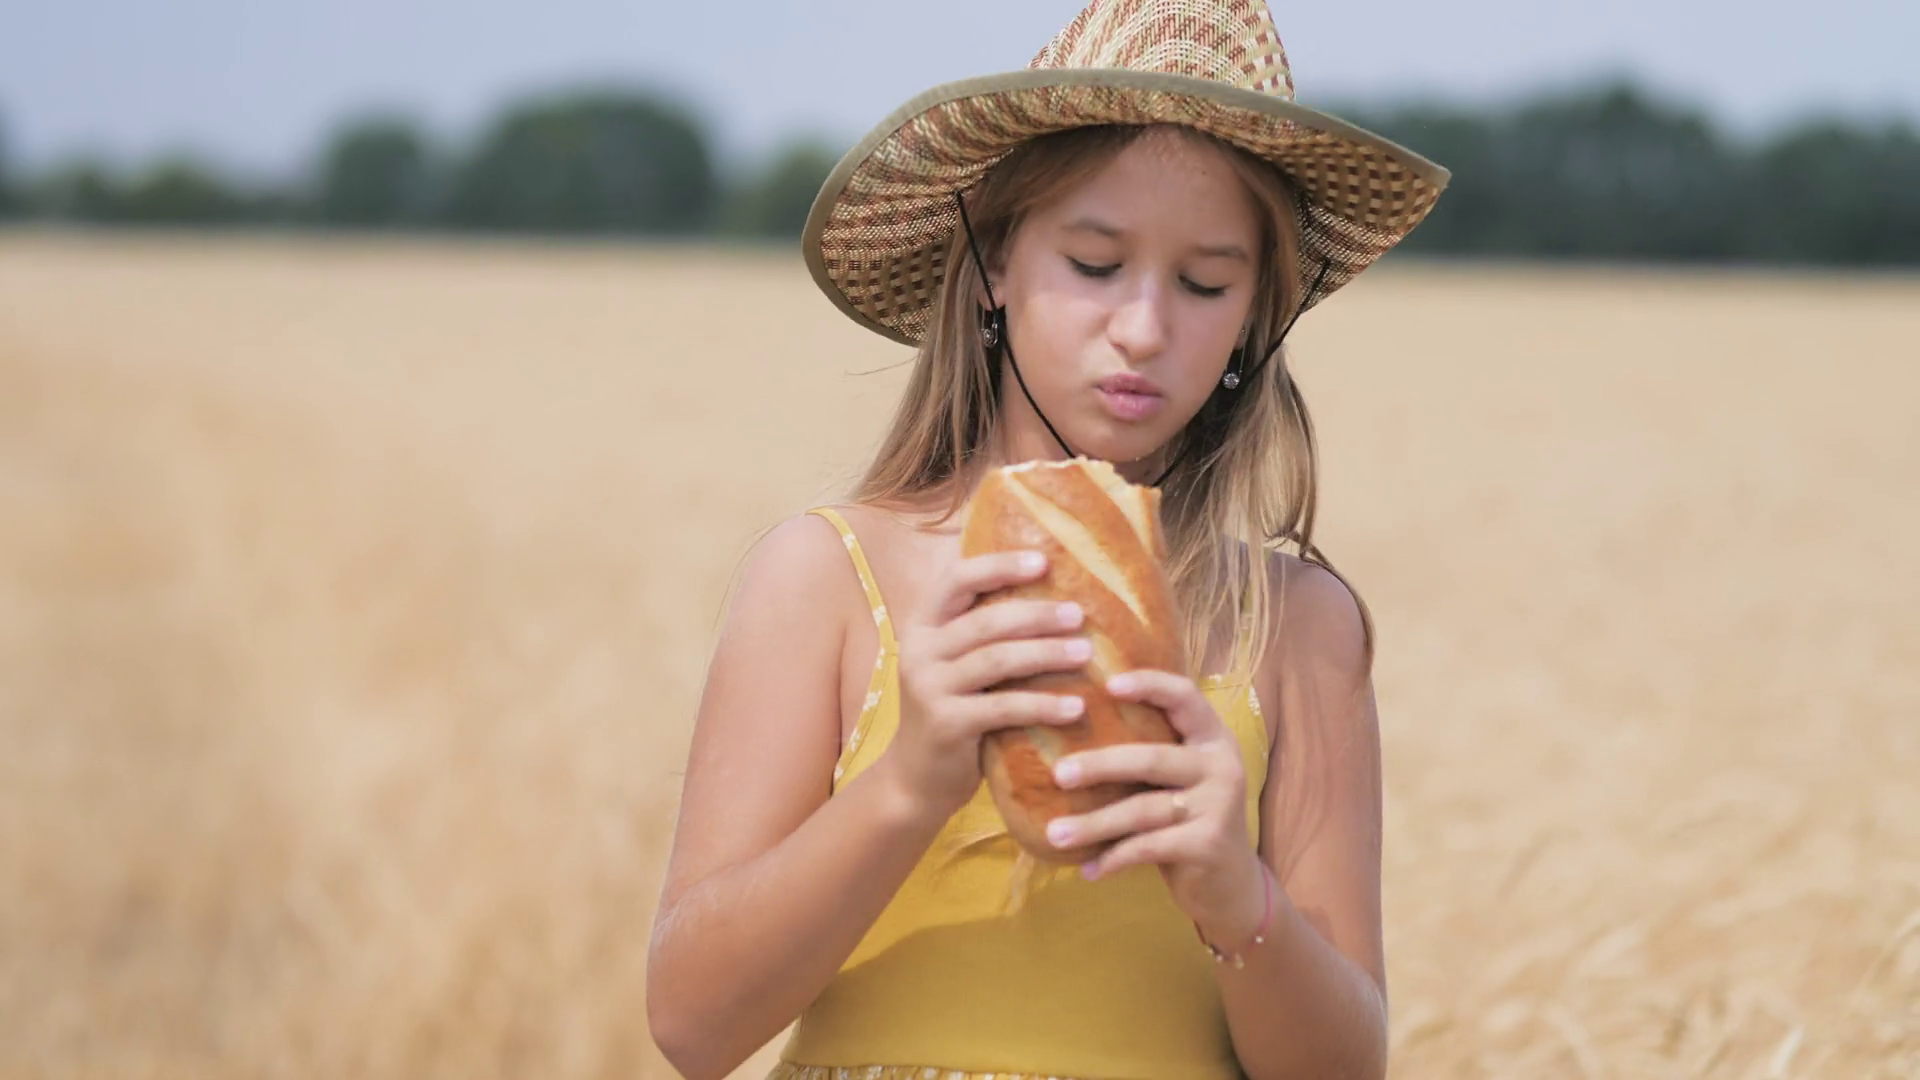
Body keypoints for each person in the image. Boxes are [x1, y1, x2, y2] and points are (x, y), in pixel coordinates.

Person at [647, 0, 1449, 1076]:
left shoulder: (1299, 626)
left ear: (1254, 319)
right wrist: (912, 778)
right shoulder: (829, 576)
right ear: (992, 261)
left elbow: (1343, 1068)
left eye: (1206, 284)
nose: (1145, 329)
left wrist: (1236, 894)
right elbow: (692, 1024)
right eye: (1093, 264)